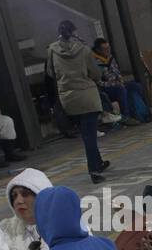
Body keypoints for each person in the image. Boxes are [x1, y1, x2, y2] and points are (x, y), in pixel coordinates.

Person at [45, 23, 108, 182]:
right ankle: (94, 171)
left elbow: (50, 73)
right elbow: (95, 72)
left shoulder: (52, 50)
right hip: (87, 95)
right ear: (74, 32)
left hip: (68, 98)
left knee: (86, 133)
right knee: (90, 136)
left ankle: (99, 162)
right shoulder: (84, 49)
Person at [91, 38, 151, 124]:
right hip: (106, 88)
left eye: (109, 48)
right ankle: (126, 117)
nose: (108, 51)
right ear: (98, 50)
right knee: (120, 90)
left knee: (136, 86)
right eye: (105, 49)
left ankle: (145, 112)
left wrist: (121, 81)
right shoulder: (94, 62)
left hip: (118, 84)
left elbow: (117, 72)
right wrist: (115, 84)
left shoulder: (110, 58)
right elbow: (98, 81)